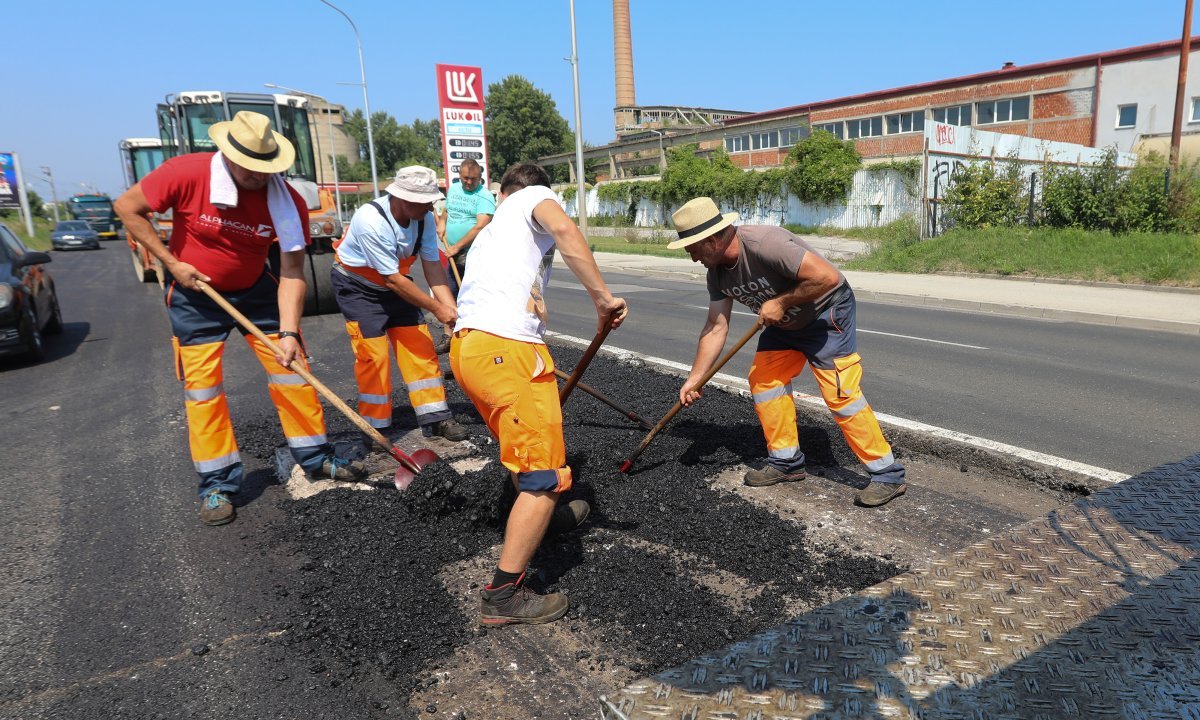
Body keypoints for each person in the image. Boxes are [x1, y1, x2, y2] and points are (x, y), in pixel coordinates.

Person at [114, 111, 366, 527]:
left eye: (266, 169)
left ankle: (316, 457)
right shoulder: (186, 173)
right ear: (228, 155)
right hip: (195, 296)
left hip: (256, 292)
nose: (258, 176)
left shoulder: (288, 201)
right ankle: (217, 484)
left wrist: (287, 333)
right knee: (203, 390)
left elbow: (291, 272)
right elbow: (128, 207)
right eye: (250, 168)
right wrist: (172, 263)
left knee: (293, 370)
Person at [449, 162, 628, 625]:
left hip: (471, 349)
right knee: (545, 476)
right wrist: (603, 298)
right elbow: (565, 228)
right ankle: (504, 595)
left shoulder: (490, 232)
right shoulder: (527, 198)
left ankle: (540, 524)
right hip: (506, 351)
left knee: (525, 455)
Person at [672, 196, 907, 508]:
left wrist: (781, 302)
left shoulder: (766, 243)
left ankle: (888, 474)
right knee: (765, 380)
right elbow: (715, 327)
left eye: (693, 250)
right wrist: (694, 379)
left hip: (826, 315)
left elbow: (829, 278)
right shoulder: (717, 274)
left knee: (841, 393)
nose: (692, 258)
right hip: (784, 326)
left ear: (712, 240)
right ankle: (786, 462)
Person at [330, 166, 467, 442]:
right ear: (404, 199)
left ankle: (436, 416)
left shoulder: (423, 219)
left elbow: (432, 266)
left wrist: (451, 311)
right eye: (425, 201)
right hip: (359, 287)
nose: (431, 207)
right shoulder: (371, 220)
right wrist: (436, 309)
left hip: (397, 284)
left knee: (420, 346)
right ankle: (375, 426)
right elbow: (391, 279)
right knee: (373, 355)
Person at [431, 159, 495, 353]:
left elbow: (480, 225)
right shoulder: (455, 190)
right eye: (465, 178)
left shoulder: (484, 196)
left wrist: (457, 247)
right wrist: (442, 224)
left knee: (474, 295)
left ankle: (479, 336)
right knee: (450, 293)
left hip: (473, 253)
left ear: (480, 177)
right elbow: (447, 212)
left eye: (472, 179)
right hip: (453, 252)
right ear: (460, 176)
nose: (468, 182)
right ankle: (449, 336)